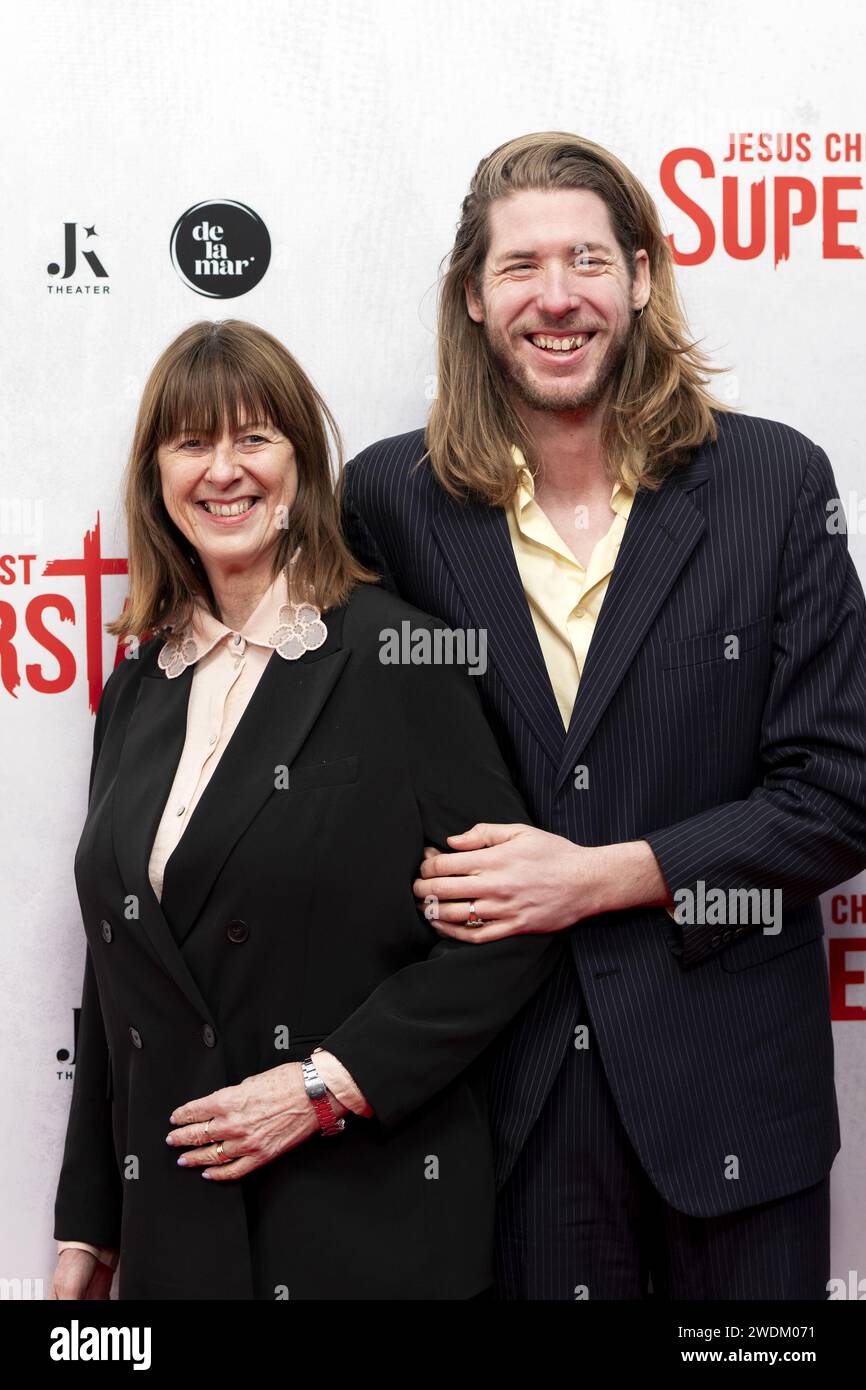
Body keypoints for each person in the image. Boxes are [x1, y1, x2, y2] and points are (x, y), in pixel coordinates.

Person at [338, 131, 866, 1299]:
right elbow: (354, 782)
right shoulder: (390, 501)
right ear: (472, 299)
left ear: (639, 276)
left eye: (586, 259)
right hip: (504, 1112)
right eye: (520, 267)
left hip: (733, 1113)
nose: (556, 297)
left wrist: (599, 875)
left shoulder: (776, 486)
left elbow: (837, 797)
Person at [50, 318, 564, 1300]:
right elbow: (115, 976)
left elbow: (505, 930)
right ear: (156, 475)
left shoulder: (397, 654)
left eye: (255, 437)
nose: (224, 470)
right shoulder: (137, 687)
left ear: (303, 465)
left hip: (362, 1223)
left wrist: (323, 1085)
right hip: (178, 1228)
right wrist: (90, 1224)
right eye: (192, 442)